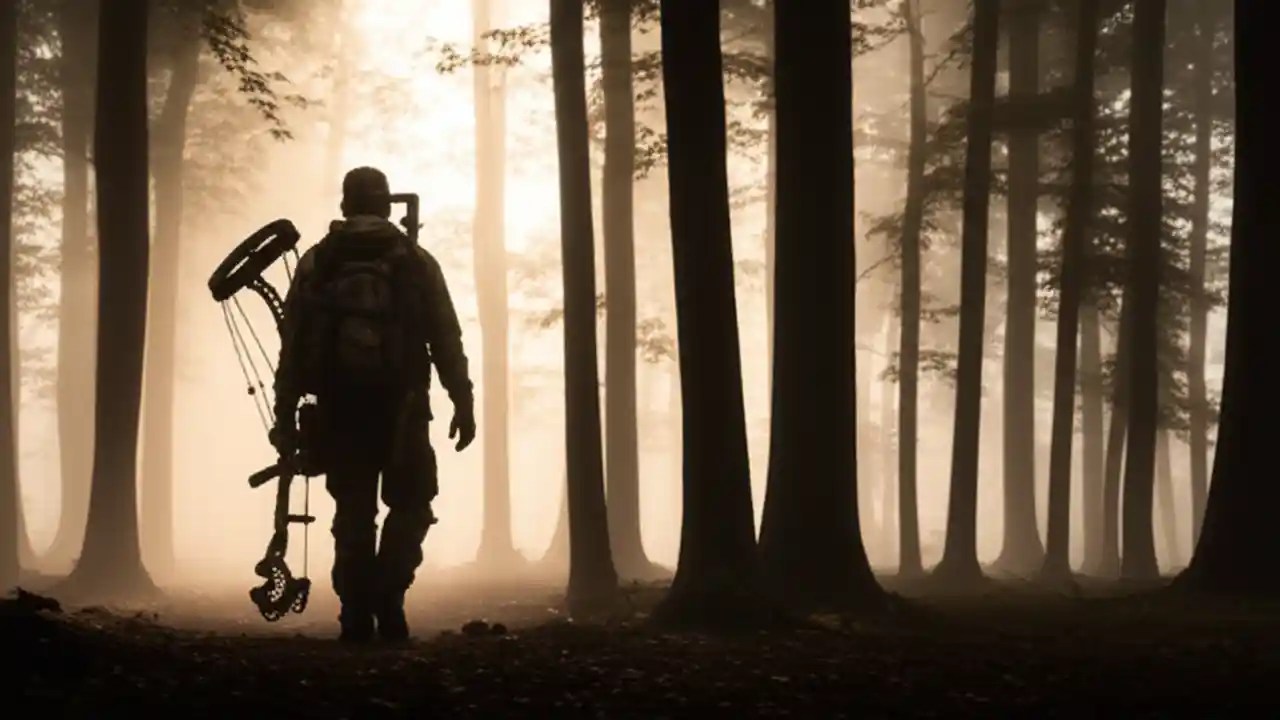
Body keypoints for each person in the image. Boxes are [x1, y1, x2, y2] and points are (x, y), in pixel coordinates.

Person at [269, 166, 475, 643]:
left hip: (340, 410)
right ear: (386, 206)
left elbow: (294, 344)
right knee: (412, 503)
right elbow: (446, 336)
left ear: (345, 205)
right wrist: (462, 401)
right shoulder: (415, 260)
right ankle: (389, 596)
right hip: (404, 408)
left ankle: (356, 613)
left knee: (354, 513)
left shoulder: (319, 263)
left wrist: (284, 414)